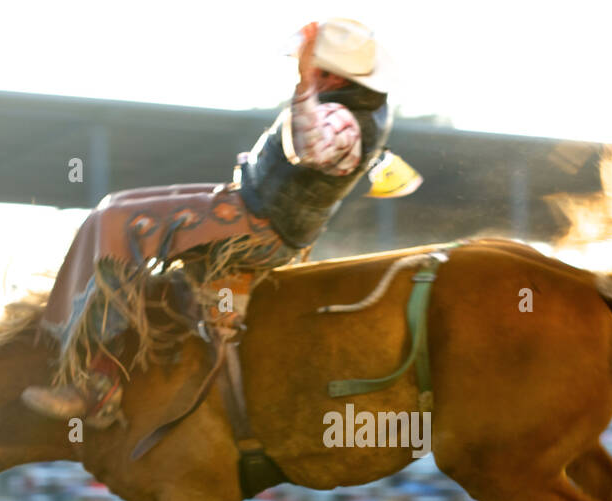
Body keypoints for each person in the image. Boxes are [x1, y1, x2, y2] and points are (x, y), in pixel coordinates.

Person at [22, 18, 402, 426]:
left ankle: (98, 385)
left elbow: (312, 147)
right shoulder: (347, 108)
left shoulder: (341, 119)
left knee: (117, 224)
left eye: (315, 68)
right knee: (111, 206)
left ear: (330, 74)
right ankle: (82, 334)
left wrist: (303, 82)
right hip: (252, 207)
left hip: (262, 229)